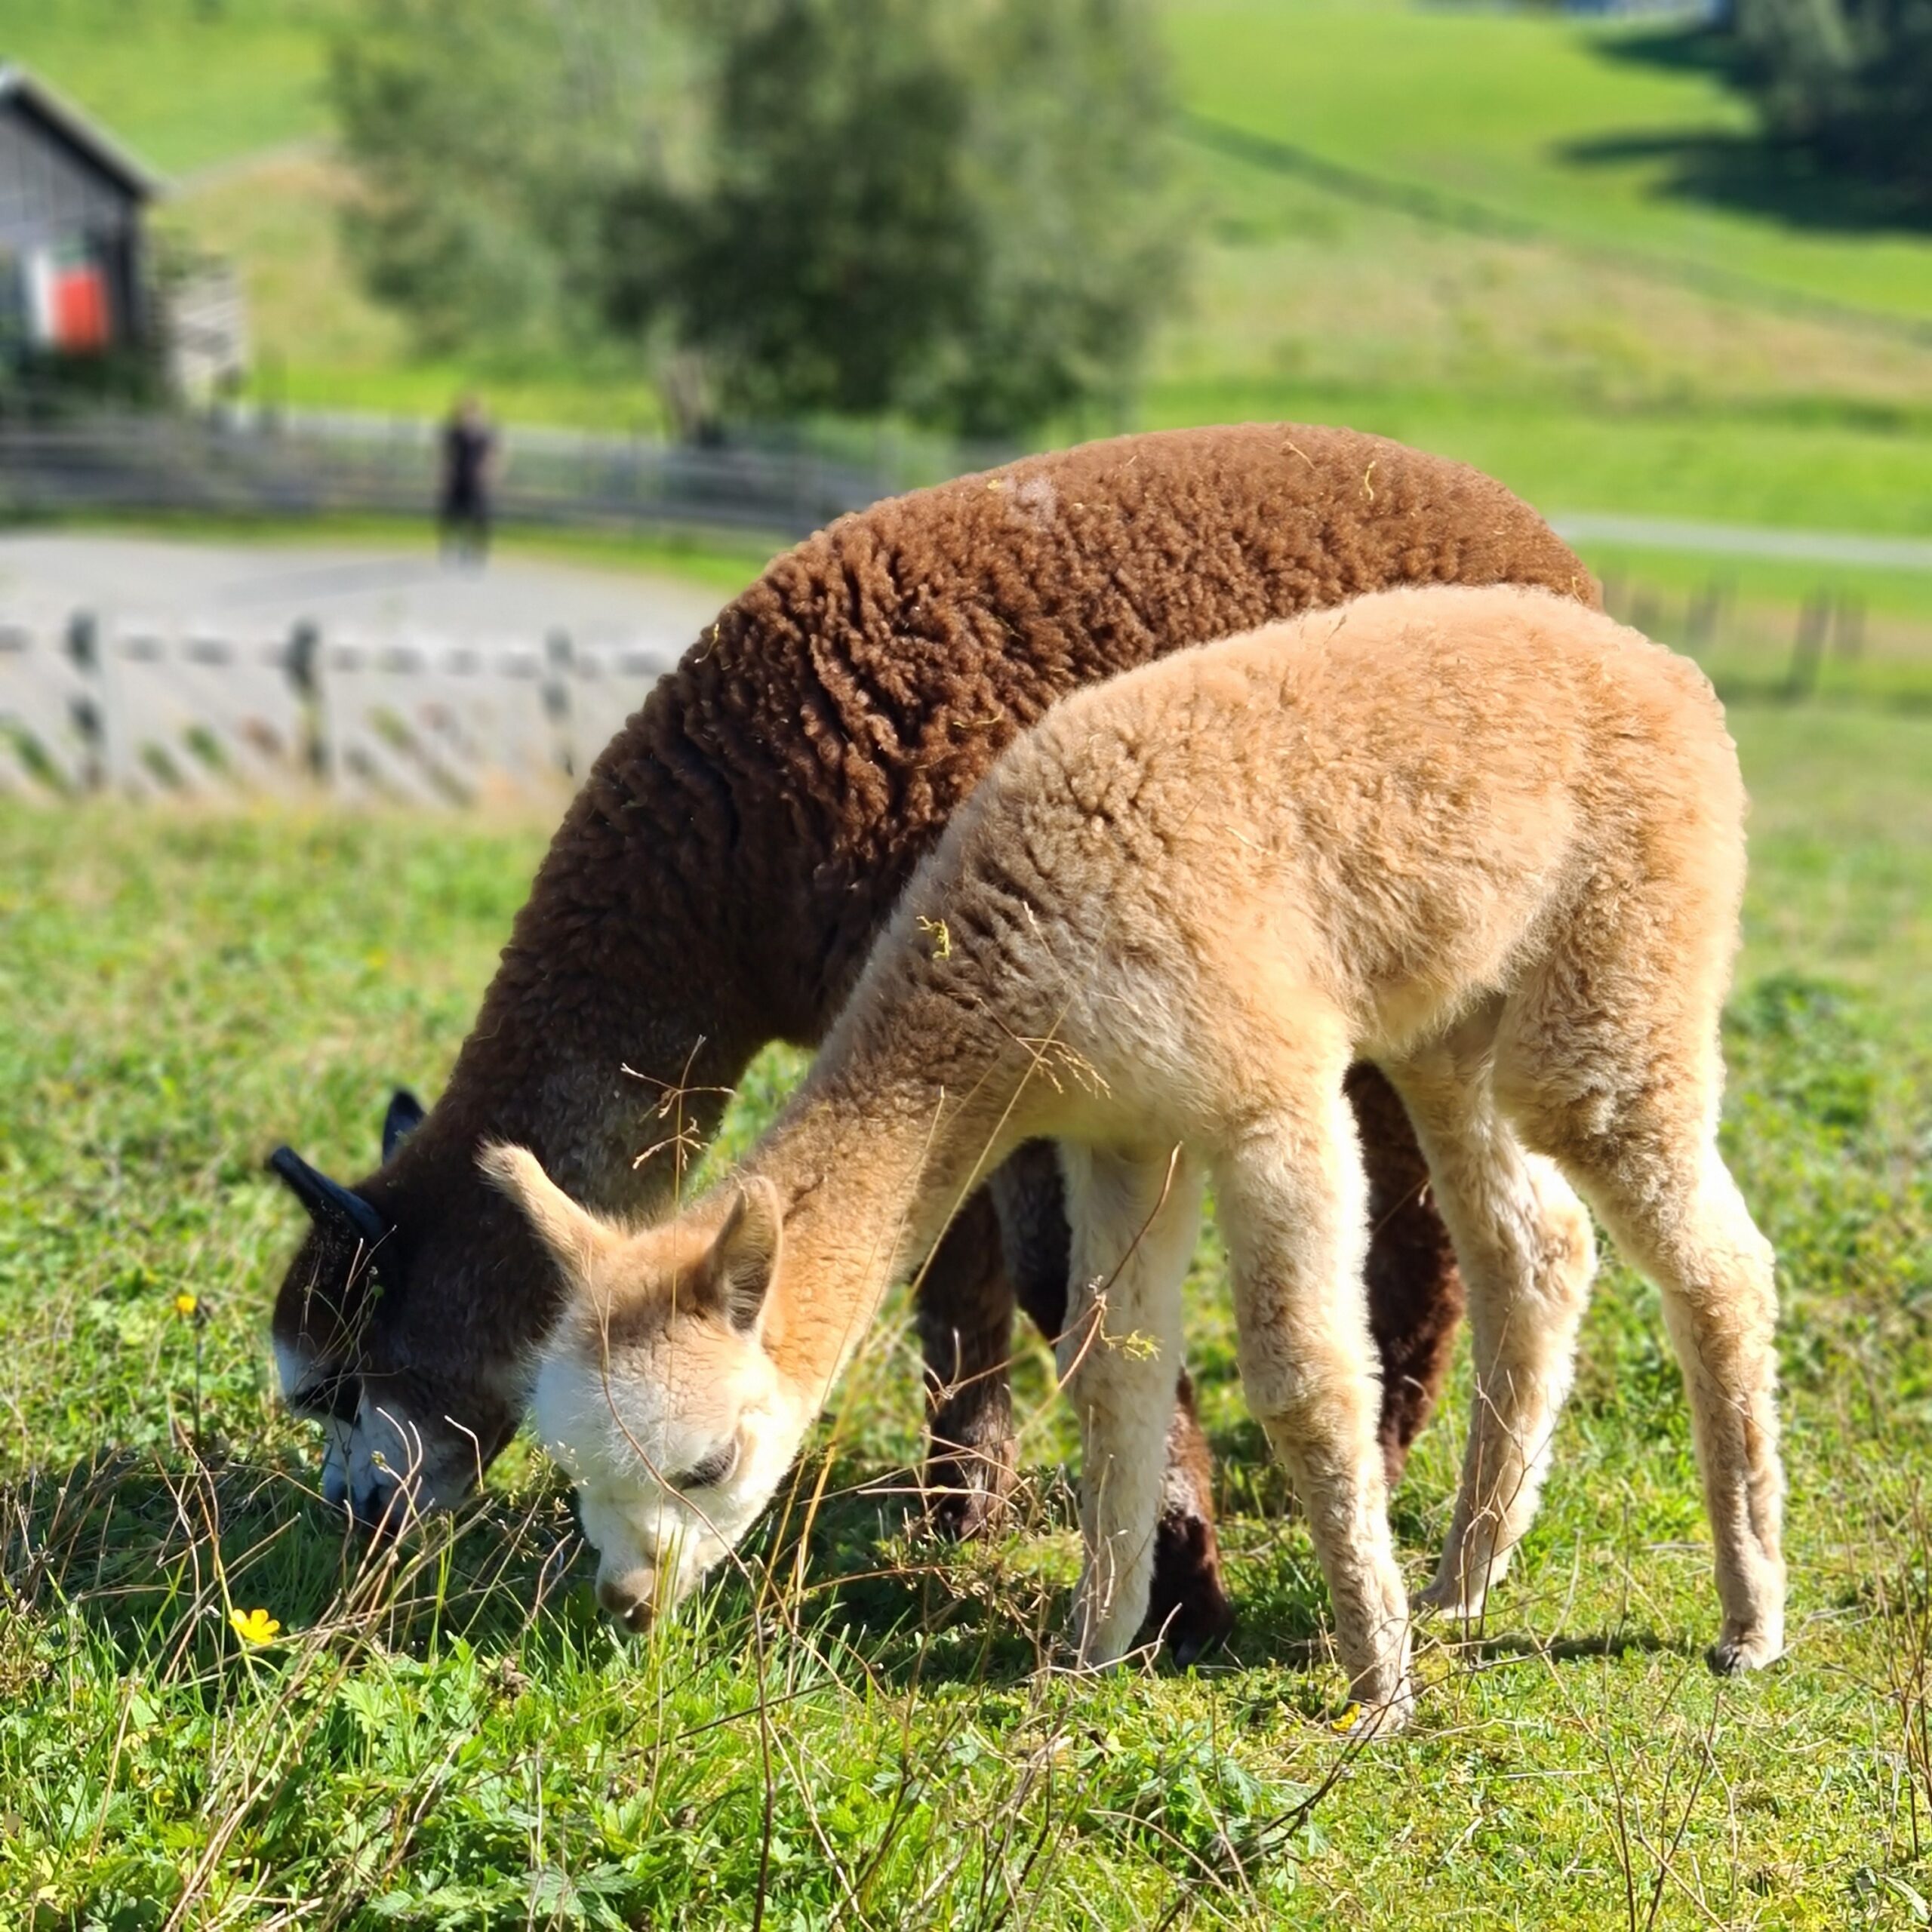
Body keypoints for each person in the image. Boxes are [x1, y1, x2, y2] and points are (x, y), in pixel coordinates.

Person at [438, 395, 499, 565]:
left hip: (477, 482)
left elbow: (493, 455)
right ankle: (452, 548)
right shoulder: (455, 432)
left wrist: (488, 472)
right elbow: (446, 456)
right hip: (458, 479)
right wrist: (446, 472)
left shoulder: (485, 433)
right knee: (452, 516)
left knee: (479, 518)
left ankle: (477, 551)